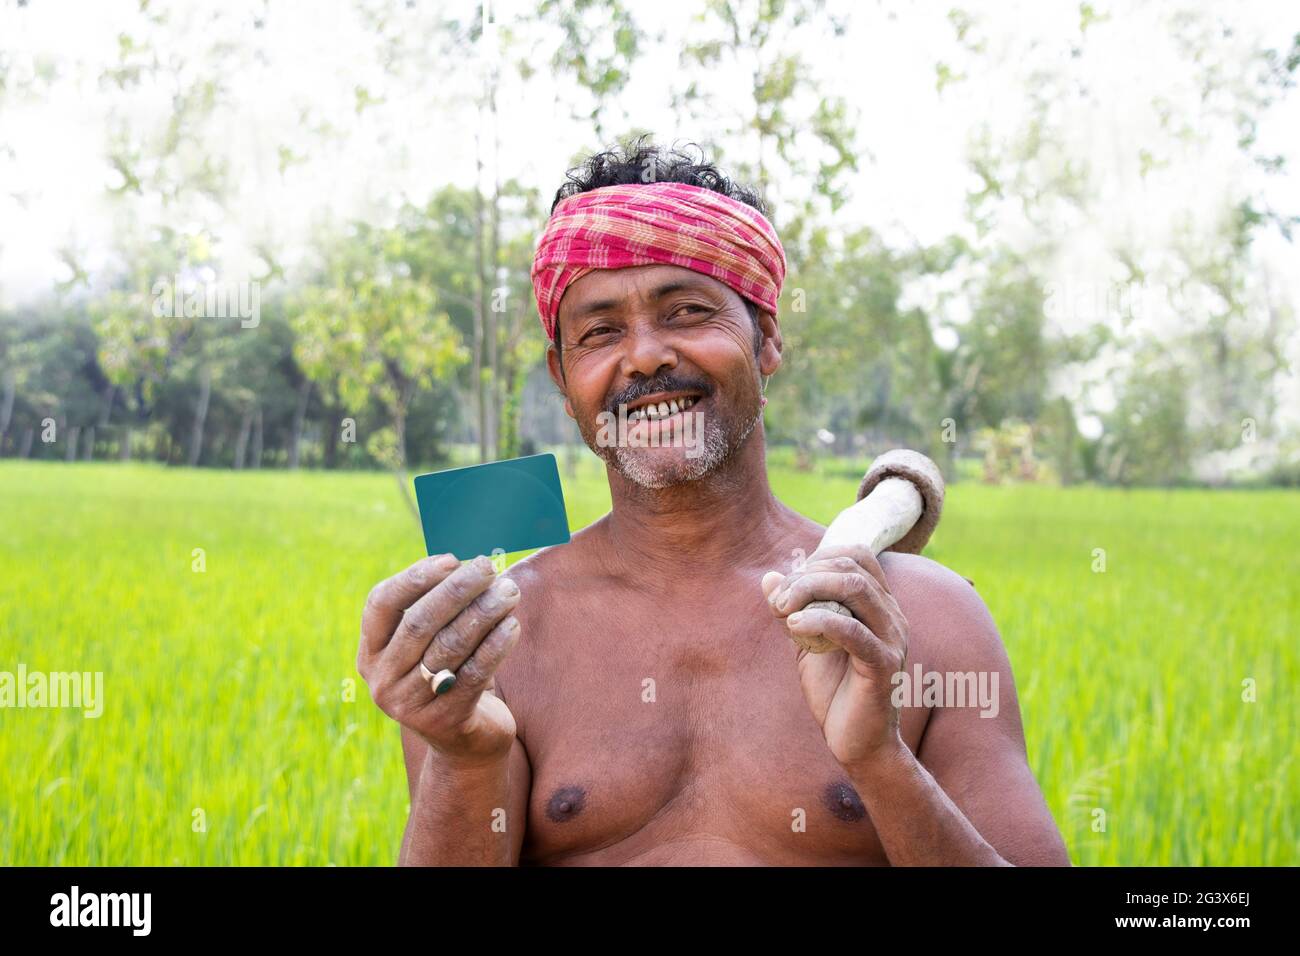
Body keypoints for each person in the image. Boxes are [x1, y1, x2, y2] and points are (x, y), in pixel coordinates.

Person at [356, 140, 1071, 866]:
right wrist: (467, 758)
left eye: (688, 312)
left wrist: (880, 764)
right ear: (563, 377)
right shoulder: (491, 638)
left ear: (767, 341)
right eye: (600, 332)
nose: (643, 357)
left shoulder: (924, 620)